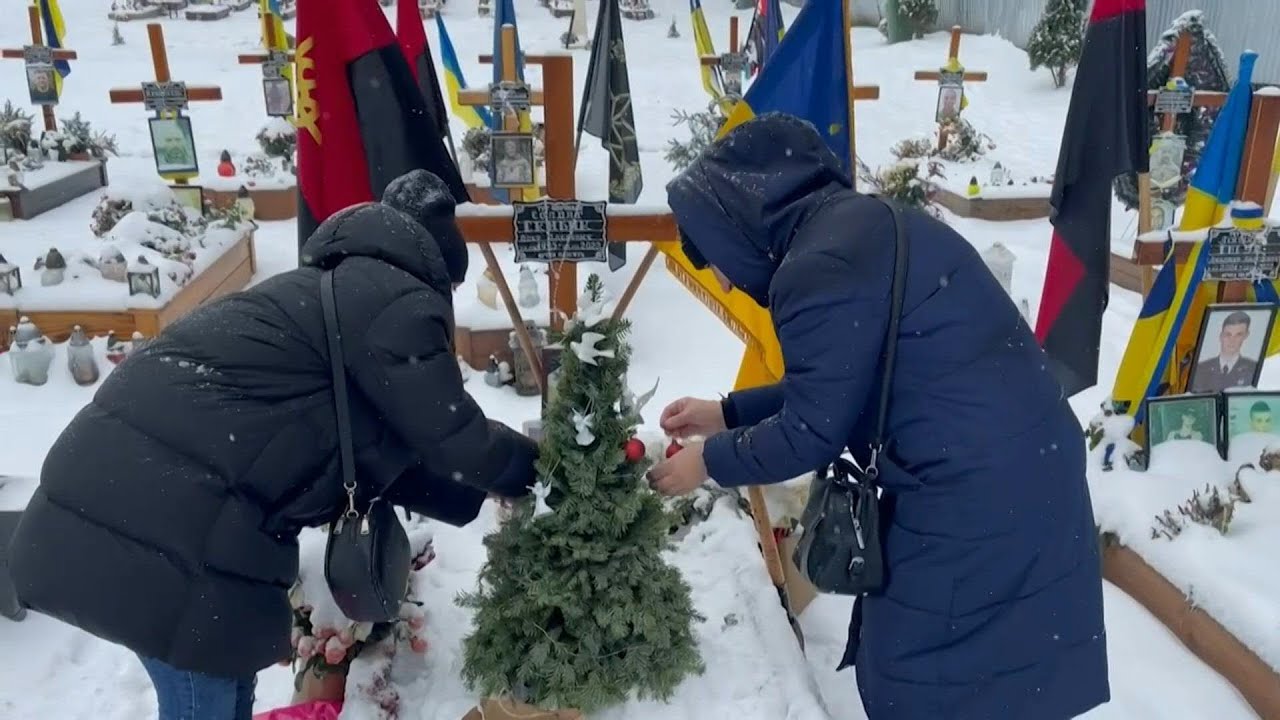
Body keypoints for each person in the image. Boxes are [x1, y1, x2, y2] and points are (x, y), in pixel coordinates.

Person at [8, 170, 538, 720]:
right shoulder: (394, 301)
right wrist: (543, 474)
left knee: (222, 689)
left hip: (134, 496)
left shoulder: (338, 290)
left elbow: (393, 447)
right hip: (167, 523)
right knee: (206, 702)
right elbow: (450, 434)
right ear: (440, 268)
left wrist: (481, 490)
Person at [648, 113, 1108, 719]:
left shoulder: (817, 268)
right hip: (1018, 467)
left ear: (736, 228)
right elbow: (839, 384)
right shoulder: (857, 226)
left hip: (971, 494)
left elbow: (810, 433)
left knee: (922, 673)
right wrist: (727, 412)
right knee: (996, 672)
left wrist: (708, 462)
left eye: (716, 262)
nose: (726, 284)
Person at [1190, 311, 1260, 392]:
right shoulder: (1201, 369)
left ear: (1246, 336)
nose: (1232, 340)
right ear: (1221, 336)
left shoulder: (1252, 368)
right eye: (1228, 334)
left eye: (1238, 335)